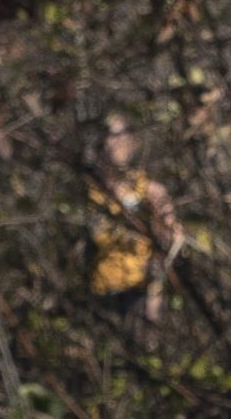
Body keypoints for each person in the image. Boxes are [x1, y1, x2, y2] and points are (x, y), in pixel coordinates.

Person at [89, 113, 185, 326]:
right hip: (101, 292)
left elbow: (165, 246)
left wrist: (154, 293)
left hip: (138, 293)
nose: (111, 142)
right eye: (106, 135)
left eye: (117, 134)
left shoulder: (152, 192)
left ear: (134, 140)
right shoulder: (92, 192)